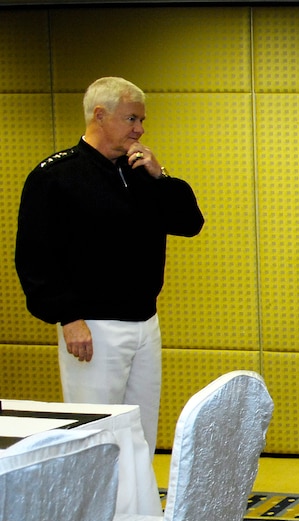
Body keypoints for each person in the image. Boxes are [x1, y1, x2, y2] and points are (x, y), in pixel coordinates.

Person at [15, 76, 204, 452]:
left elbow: (190, 223)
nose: (140, 129)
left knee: (141, 436)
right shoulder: (55, 177)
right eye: (132, 119)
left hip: (144, 323)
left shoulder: (142, 173)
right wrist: (68, 318)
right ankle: (99, 513)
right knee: (97, 438)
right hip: (93, 327)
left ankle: (140, 512)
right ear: (100, 115)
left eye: (141, 120)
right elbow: (35, 257)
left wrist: (161, 176)